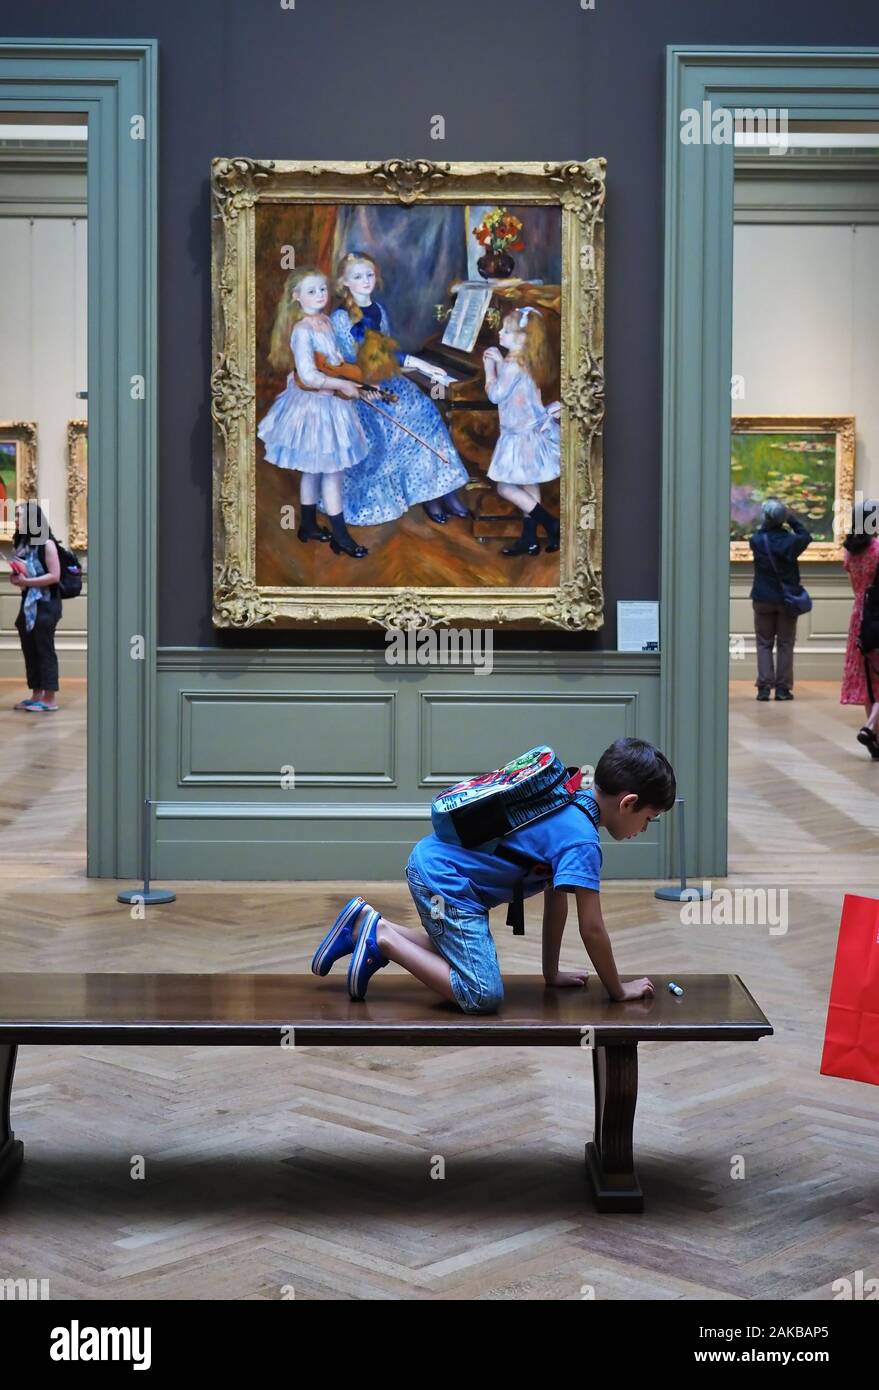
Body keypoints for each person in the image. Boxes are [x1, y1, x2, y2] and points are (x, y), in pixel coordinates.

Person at [311, 737, 675, 1014]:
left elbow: (555, 900)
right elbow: (592, 928)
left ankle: (361, 923)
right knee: (482, 993)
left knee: (454, 951)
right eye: (648, 818)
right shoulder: (582, 842)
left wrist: (551, 973)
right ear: (628, 802)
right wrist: (618, 990)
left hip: (436, 872)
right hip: (447, 886)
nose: (644, 828)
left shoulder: (570, 799)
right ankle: (381, 936)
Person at [329, 252, 471, 527]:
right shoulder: (339, 317)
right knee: (406, 421)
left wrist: (424, 366)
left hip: (387, 378)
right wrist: (364, 386)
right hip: (361, 388)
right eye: (358, 276)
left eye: (369, 275)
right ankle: (428, 496)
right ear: (344, 282)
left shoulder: (379, 310)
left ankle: (445, 490)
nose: (366, 281)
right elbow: (348, 361)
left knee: (426, 411)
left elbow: (387, 352)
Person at [258, 267, 371, 559]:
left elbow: (330, 363)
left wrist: (349, 378)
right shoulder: (302, 330)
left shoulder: (323, 321)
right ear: (296, 297)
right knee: (331, 472)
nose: (320, 295)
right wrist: (343, 384)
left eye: (322, 289)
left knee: (315, 469)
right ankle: (341, 537)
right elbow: (308, 376)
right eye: (311, 291)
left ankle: (307, 525)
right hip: (314, 407)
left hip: (331, 401)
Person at [483, 305, 562, 556]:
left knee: (505, 487)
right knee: (529, 484)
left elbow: (495, 395)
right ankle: (529, 539)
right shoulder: (526, 357)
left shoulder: (512, 363)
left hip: (519, 434)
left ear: (523, 337)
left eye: (507, 331)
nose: (500, 334)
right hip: (532, 429)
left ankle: (552, 524)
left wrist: (489, 369)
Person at [749, 499, 812, 701]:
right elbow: (806, 535)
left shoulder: (757, 540)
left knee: (764, 643)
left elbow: (758, 532)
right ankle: (783, 689)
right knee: (785, 643)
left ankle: (764, 688)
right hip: (787, 600)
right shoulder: (791, 542)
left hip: (762, 598)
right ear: (782, 519)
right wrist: (791, 518)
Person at [10, 501, 63, 713]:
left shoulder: (47, 544)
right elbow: (24, 573)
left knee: (44, 649)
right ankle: (36, 694)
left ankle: (50, 699)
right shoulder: (22, 544)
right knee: (30, 649)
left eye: (19, 516)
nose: (15, 520)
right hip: (29, 602)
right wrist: (16, 577)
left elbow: (54, 576)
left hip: (47, 603)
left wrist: (26, 582)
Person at [840, 499, 879, 760]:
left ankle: (874, 737)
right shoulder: (877, 549)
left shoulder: (851, 551)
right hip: (878, 616)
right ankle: (870, 728)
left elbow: (857, 586)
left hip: (858, 617)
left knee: (870, 682)